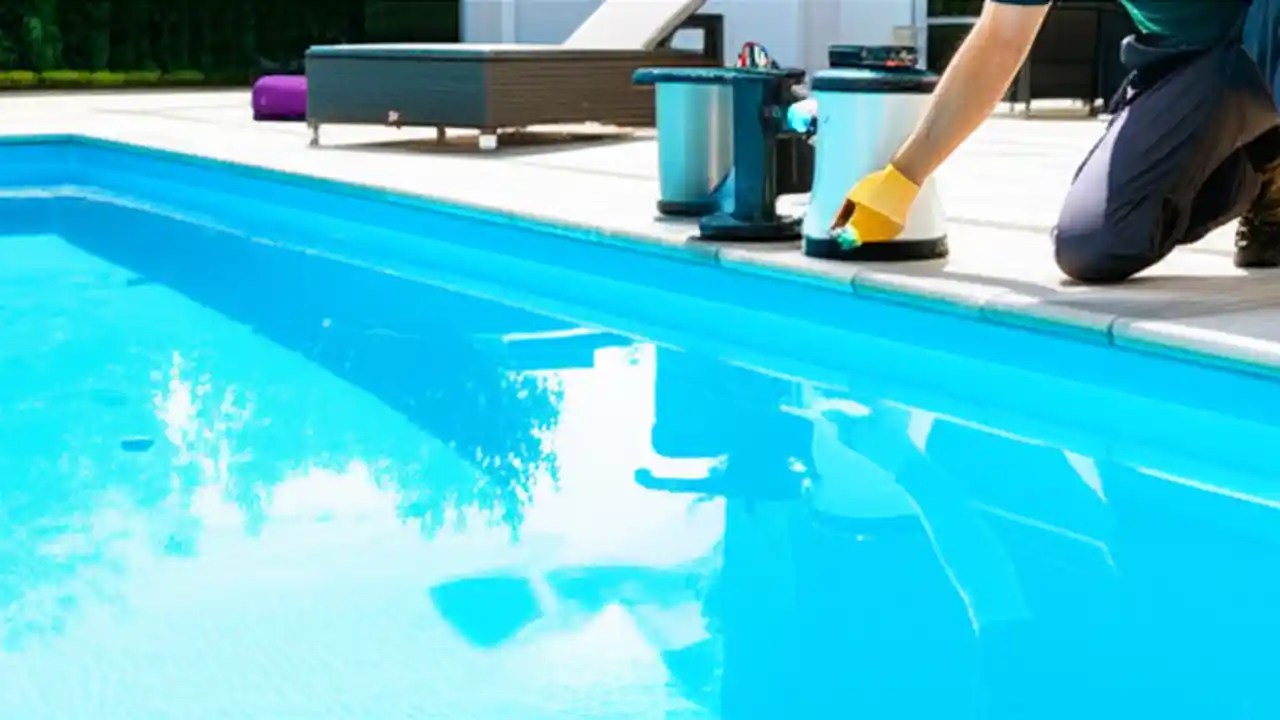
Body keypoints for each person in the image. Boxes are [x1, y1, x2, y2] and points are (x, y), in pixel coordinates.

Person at [833, 0, 1280, 283]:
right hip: (1190, 66)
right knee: (1095, 244)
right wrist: (904, 177)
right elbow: (999, 38)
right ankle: (1264, 171)